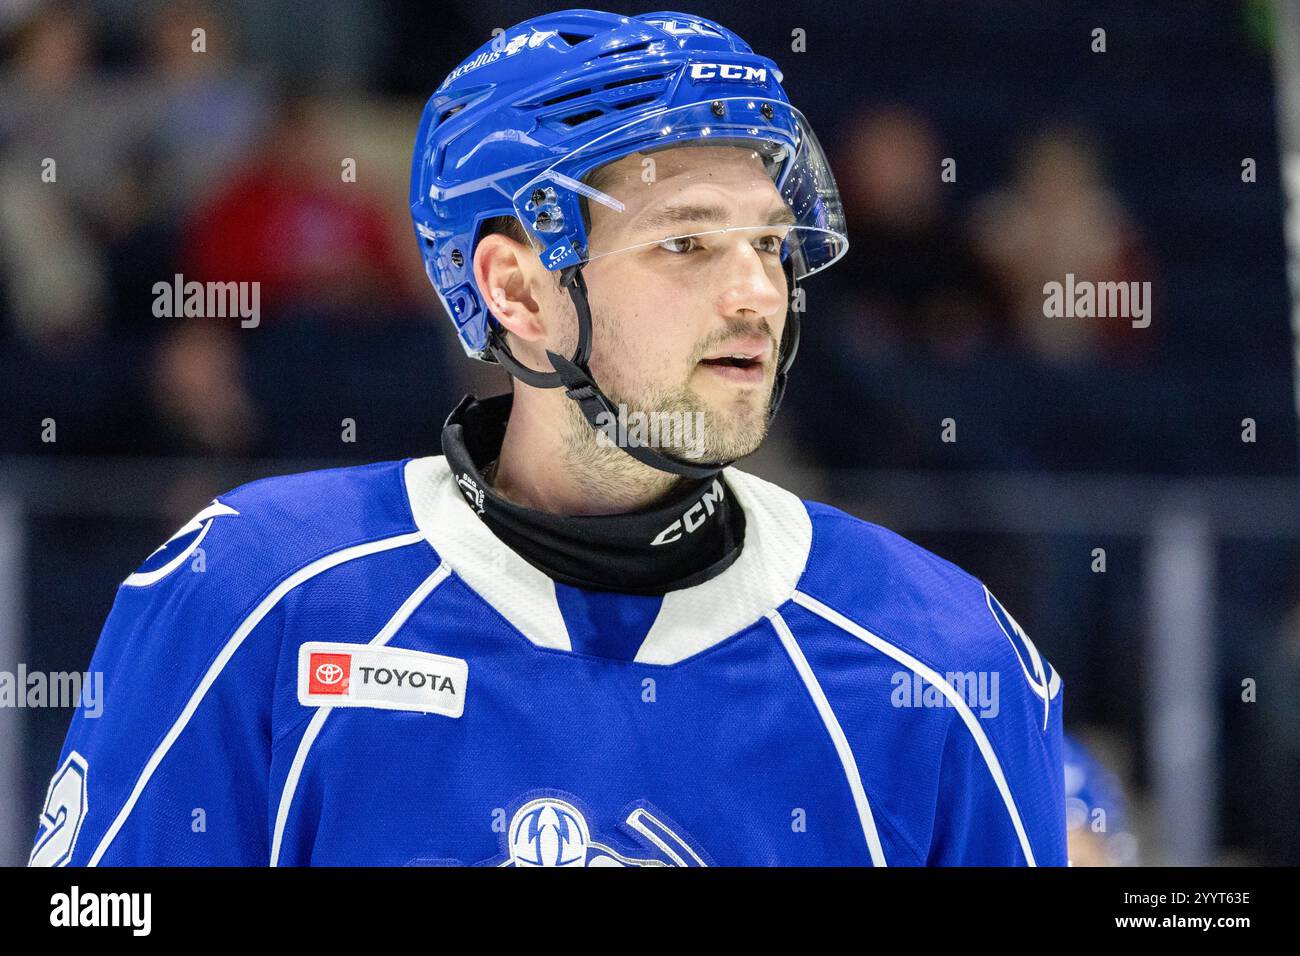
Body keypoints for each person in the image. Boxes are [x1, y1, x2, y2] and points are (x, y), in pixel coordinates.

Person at [32, 10, 1064, 867]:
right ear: (517, 290)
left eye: (770, 244)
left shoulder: (941, 661)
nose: (759, 292)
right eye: (688, 241)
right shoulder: (252, 594)